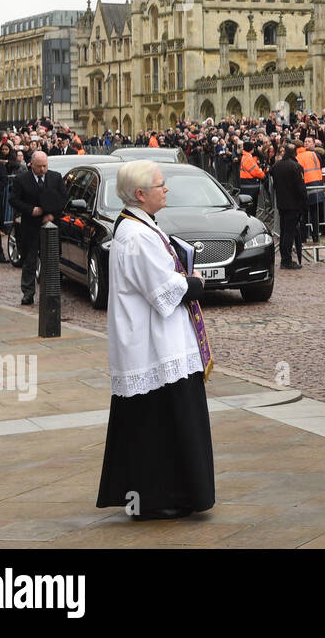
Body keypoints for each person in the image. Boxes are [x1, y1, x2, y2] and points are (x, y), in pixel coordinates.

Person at [96, 160, 213, 521]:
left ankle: (170, 494)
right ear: (140, 194)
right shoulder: (137, 235)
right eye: (161, 185)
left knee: (163, 423)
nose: (167, 190)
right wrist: (193, 284)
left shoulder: (142, 226)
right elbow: (162, 290)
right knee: (159, 426)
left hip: (160, 342)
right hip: (154, 346)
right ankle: (160, 496)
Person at [9, 151, 66, 306]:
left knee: (51, 260)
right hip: (30, 226)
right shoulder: (22, 180)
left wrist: (52, 216)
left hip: (52, 227)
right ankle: (28, 293)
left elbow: (63, 199)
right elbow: (13, 200)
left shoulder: (55, 177)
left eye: (45, 166)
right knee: (29, 261)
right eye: (39, 166)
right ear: (31, 165)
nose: (42, 169)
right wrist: (30, 210)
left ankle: (50, 293)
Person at [269, 146, 306, 268]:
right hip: (293, 204)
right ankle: (286, 260)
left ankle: (285, 258)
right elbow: (301, 188)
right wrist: (304, 203)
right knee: (289, 233)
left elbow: (272, 181)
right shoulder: (295, 167)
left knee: (284, 231)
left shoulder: (276, 166)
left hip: (282, 203)